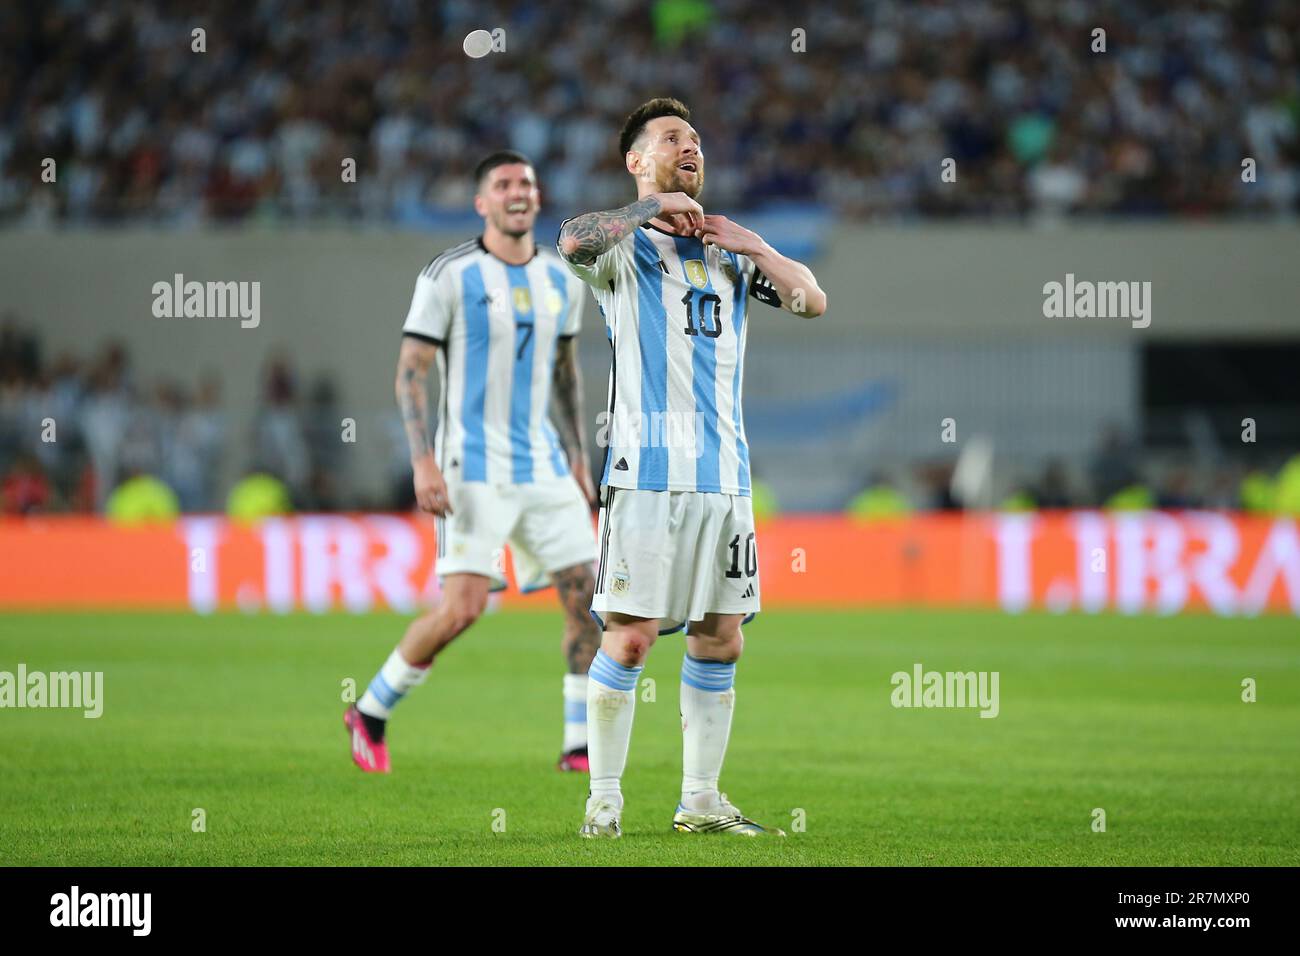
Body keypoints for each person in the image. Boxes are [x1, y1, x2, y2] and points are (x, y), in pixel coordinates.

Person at [557, 98, 827, 837]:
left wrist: (754, 243)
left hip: (725, 479)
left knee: (722, 635)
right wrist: (652, 208)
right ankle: (603, 801)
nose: (690, 147)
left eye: (696, 139)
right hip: (646, 475)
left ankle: (700, 800)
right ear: (636, 161)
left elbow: (811, 301)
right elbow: (572, 240)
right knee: (631, 636)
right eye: (673, 138)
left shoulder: (729, 251)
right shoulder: (623, 250)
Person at [346, 151, 602, 775]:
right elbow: (411, 372)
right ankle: (372, 709)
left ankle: (577, 744)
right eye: (503, 184)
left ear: (537, 198)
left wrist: (577, 457)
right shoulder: (449, 274)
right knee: (462, 610)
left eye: (527, 184)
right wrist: (423, 461)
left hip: (543, 463)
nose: (518, 192)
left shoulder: (562, 279)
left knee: (587, 596)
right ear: (482, 202)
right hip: (471, 465)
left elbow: (564, 373)